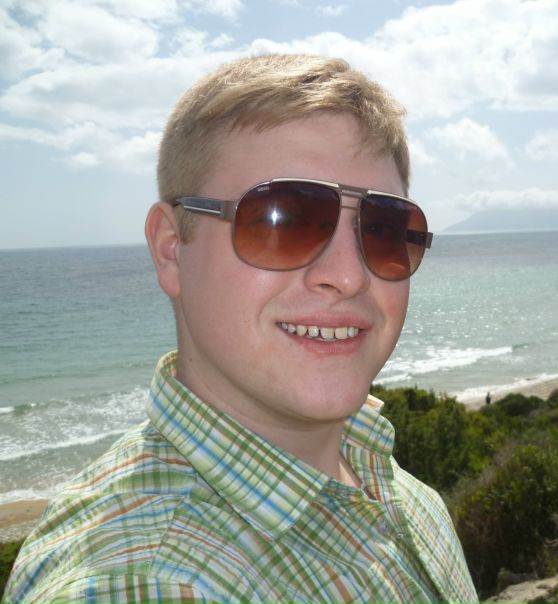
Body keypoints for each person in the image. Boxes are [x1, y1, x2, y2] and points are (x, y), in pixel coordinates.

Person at [3, 54, 478, 604]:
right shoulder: (144, 582)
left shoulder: (399, 489)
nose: (349, 275)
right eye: (283, 219)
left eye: (384, 229)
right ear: (172, 249)